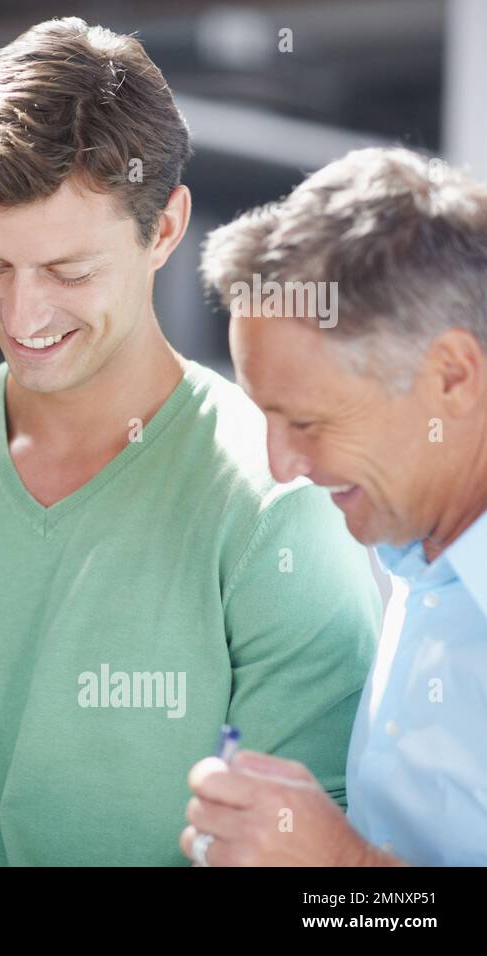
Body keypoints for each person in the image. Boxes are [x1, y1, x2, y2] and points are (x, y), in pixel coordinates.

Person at [0, 17, 380, 866]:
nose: (22, 316)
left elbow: (303, 846)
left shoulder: (273, 508)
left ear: (165, 229)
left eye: (69, 272)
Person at [181, 146, 487, 866]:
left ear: (451, 375)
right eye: (266, 417)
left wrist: (344, 870)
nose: (282, 467)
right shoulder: (418, 563)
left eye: (309, 423)